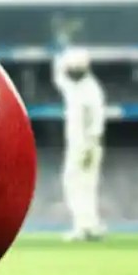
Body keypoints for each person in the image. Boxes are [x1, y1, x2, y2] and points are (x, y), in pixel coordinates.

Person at [52, 47, 106, 240]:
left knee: (79, 184)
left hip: (87, 145)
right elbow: (59, 77)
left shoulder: (91, 90)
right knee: (81, 185)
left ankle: (84, 227)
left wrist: (91, 147)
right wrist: (60, 50)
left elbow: (97, 121)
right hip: (77, 144)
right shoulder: (73, 86)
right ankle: (89, 226)